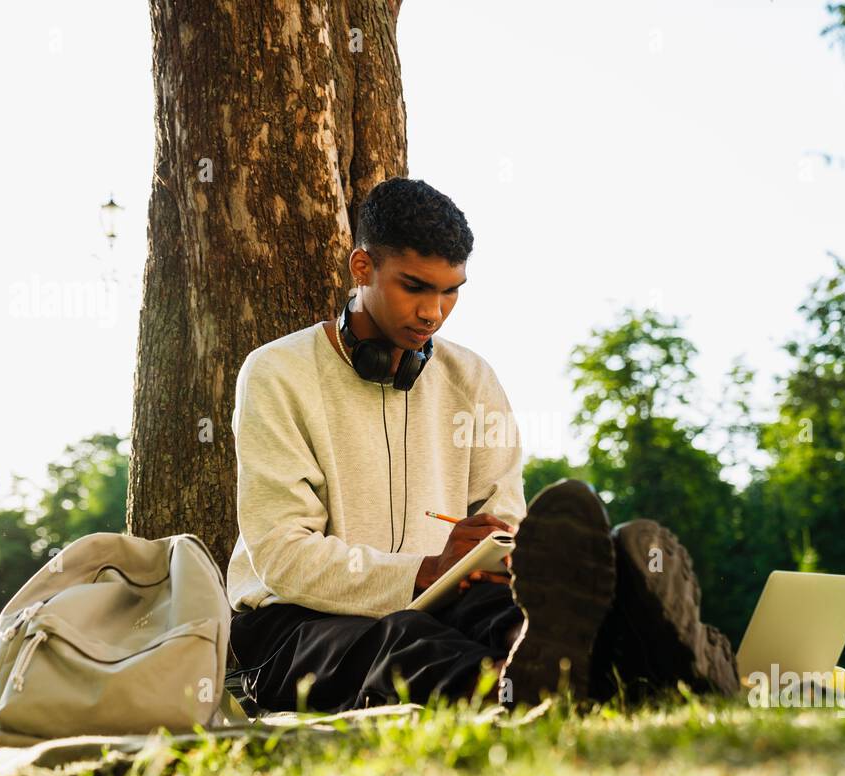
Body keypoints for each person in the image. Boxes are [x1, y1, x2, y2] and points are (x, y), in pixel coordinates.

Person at [225, 177, 739, 715]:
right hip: (292, 624)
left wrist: (495, 551)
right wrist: (424, 569)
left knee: (514, 614)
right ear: (362, 268)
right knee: (404, 645)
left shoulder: (471, 377)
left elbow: (504, 517)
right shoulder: (276, 373)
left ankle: (631, 652)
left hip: (445, 599)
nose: (434, 312)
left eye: (451, 291)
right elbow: (283, 556)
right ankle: (552, 684)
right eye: (415, 286)